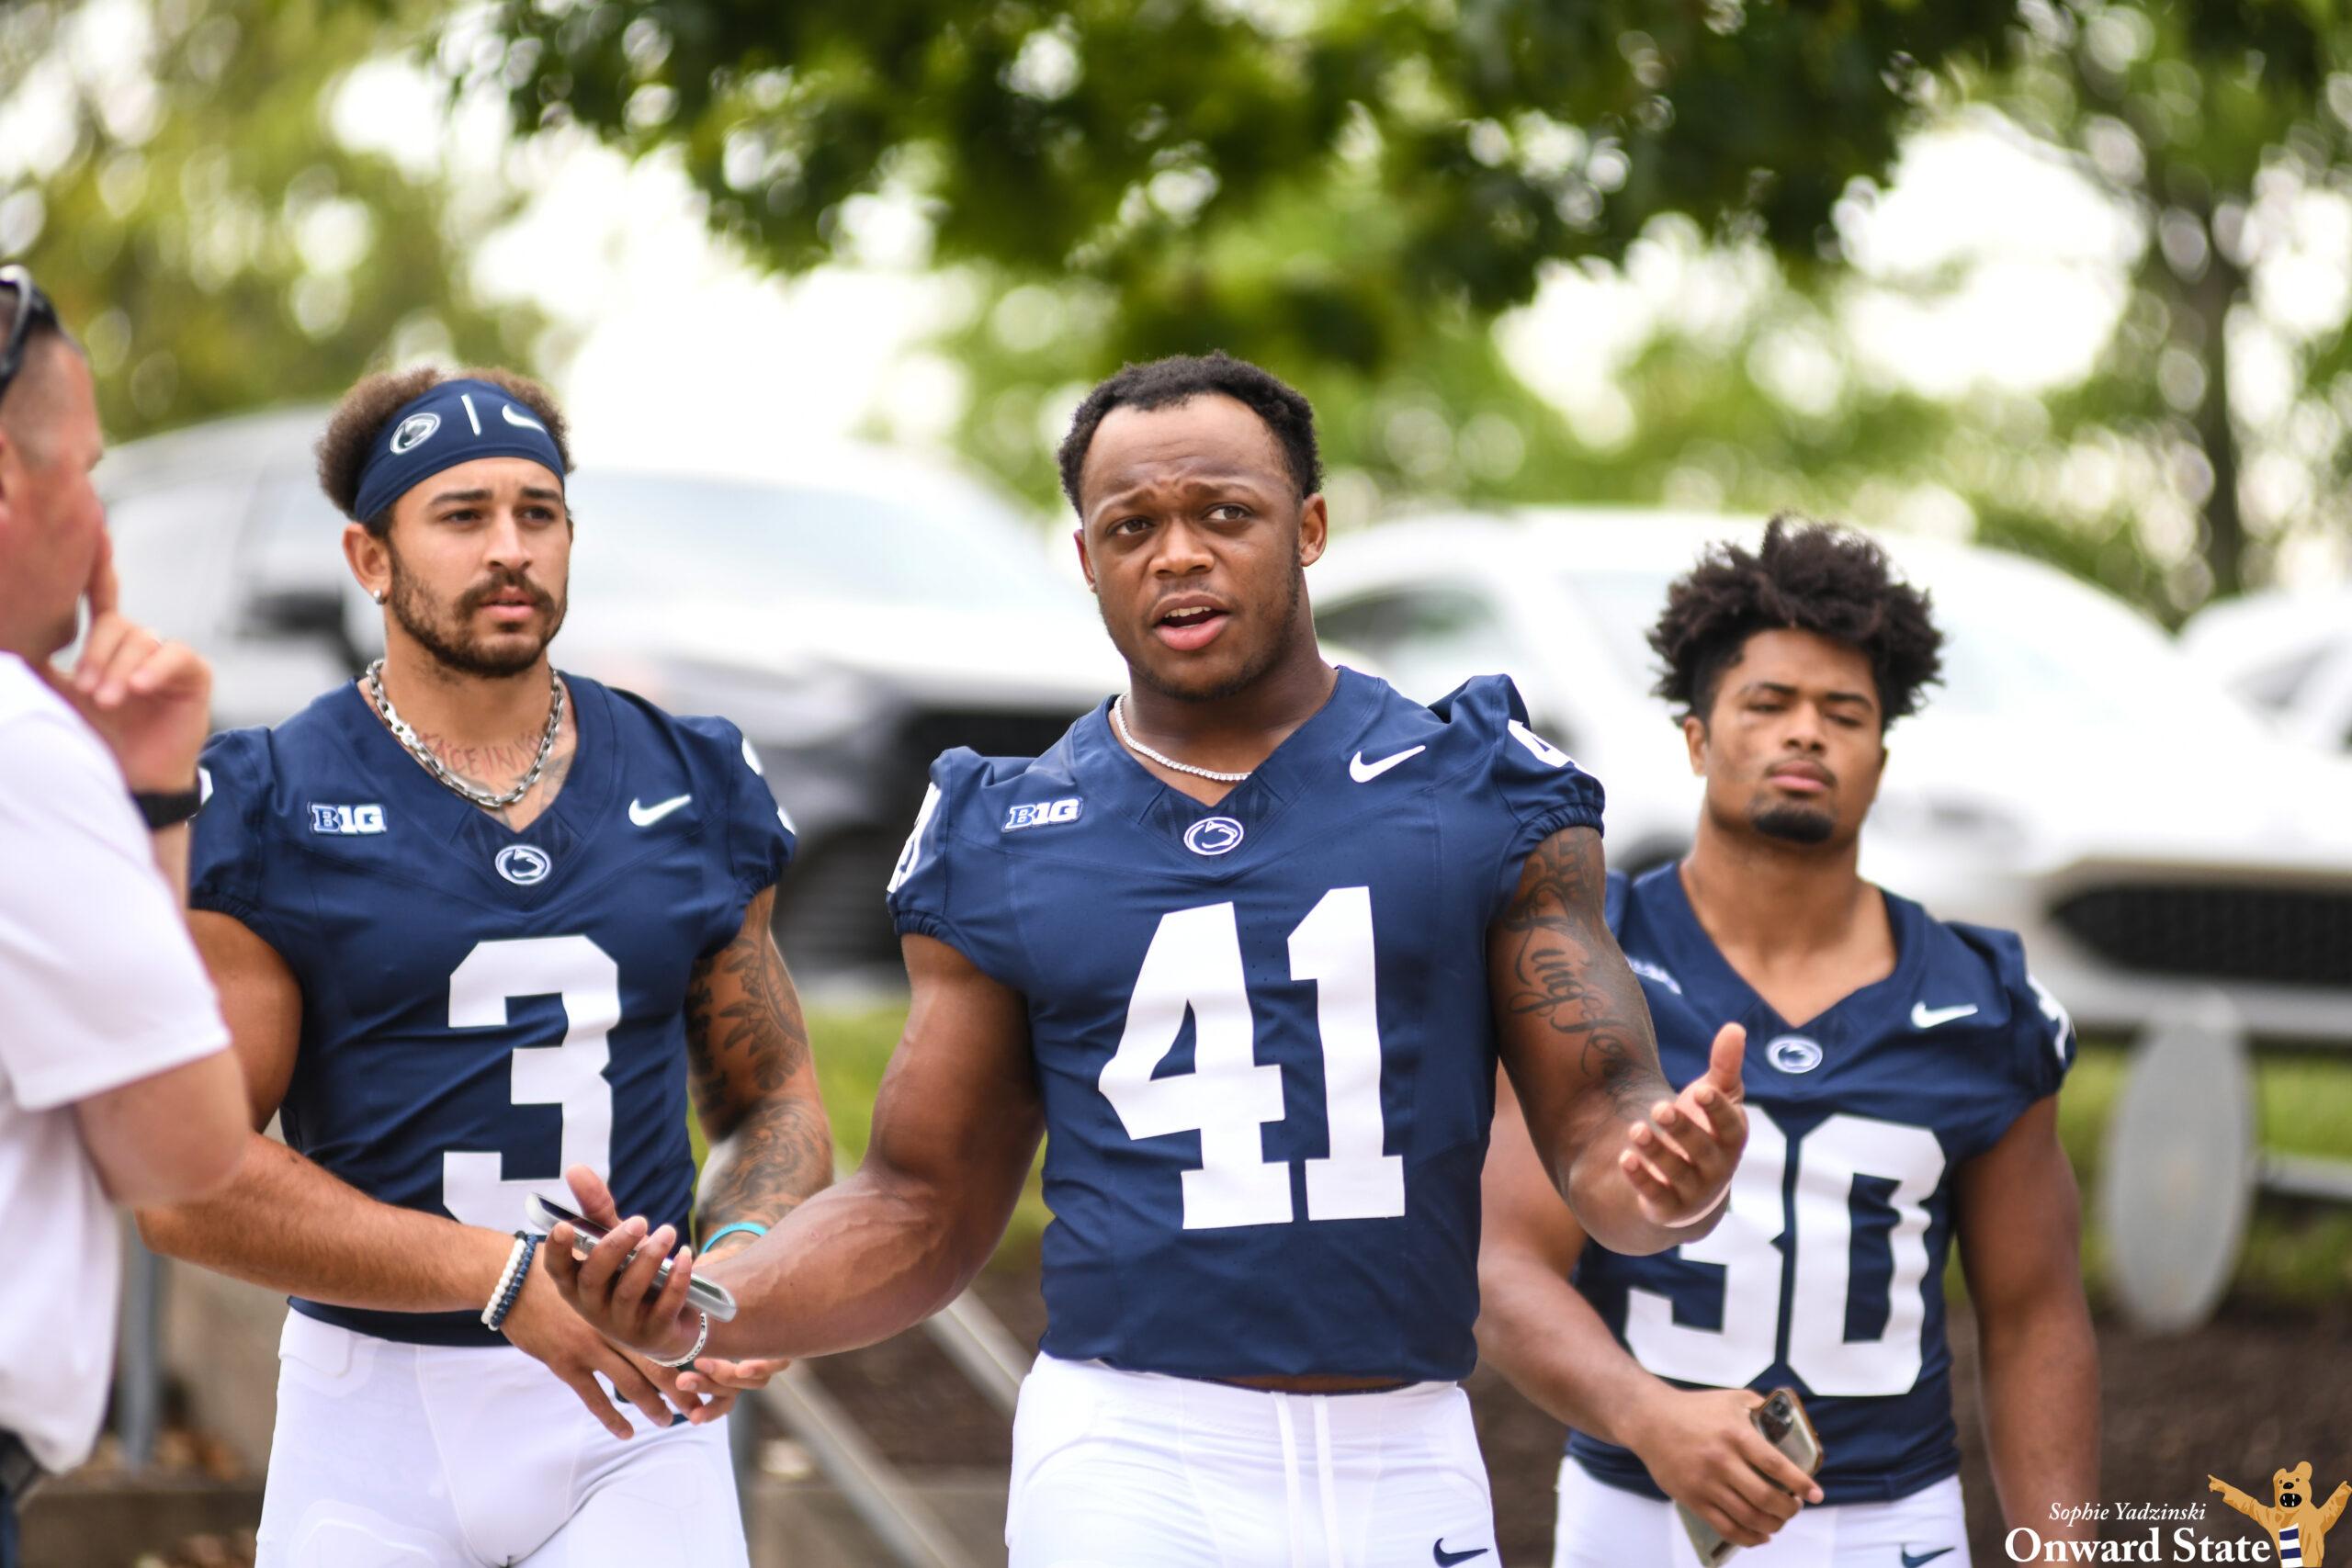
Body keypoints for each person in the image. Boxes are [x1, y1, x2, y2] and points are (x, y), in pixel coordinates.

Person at [547, 352, 1750, 1566]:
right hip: (1132, 1451)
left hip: (1406, 1446)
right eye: (1133, 525)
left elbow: (1605, 1133)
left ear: (1310, 527)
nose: (1178, 553)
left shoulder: (1479, 782)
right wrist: (700, 1298)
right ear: (1086, 559)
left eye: (1225, 513)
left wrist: (1672, 1173)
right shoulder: (1007, 824)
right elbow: (923, 1200)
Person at [135, 365, 833, 1568]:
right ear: (369, 556)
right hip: (379, 1413)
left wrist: (732, 1271)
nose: (510, 547)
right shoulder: (271, 795)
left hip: (636, 1411)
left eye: (538, 511)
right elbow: (186, 1175)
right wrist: (500, 1274)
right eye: (462, 514)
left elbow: (773, 1098)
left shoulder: (697, 777)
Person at [1476, 518, 2098, 1568]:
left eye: (1842, 713)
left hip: (1893, 1522)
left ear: (1879, 756)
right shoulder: (1583, 959)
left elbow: (2034, 1314)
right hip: (1640, 1504)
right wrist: (1647, 1417)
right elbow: (1503, 1264)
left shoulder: (1980, 1001)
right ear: (1695, 736)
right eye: (1767, 703)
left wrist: (2063, 1551)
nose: (1804, 733)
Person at [0, 268, 248, 1560]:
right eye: (89, 467)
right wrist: (150, 788)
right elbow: (183, 1150)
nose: (99, 514)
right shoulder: (18, 743)